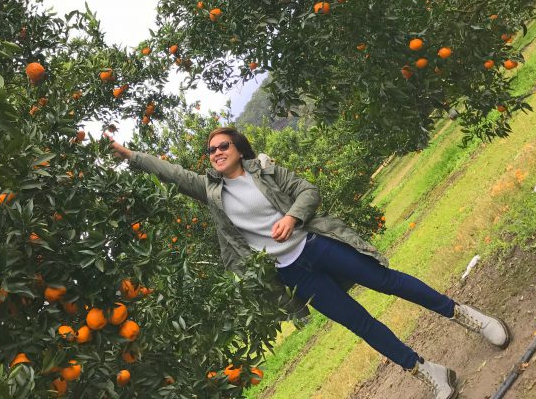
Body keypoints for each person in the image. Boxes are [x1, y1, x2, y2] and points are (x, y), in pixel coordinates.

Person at [111, 126, 510, 399]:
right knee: (361, 324)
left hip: (317, 245)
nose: (215, 153)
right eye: (210, 150)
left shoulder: (264, 171)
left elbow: (308, 190)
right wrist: (128, 154)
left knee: (389, 282)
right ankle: (429, 372)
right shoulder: (209, 191)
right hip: (291, 273)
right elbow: (170, 172)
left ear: (238, 149)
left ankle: (469, 316)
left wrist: (291, 217)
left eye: (222, 146)